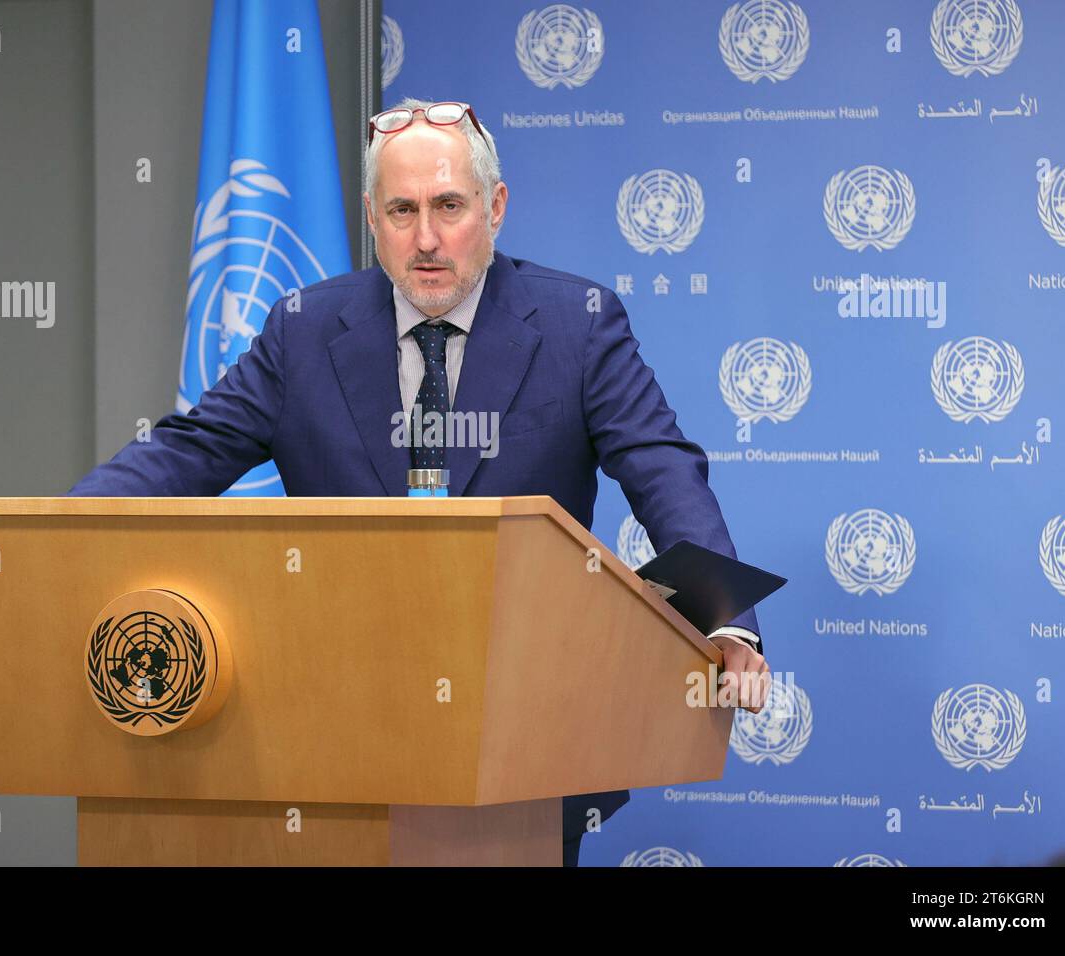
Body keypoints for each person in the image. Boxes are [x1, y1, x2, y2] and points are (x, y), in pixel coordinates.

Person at [68, 97, 770, 866]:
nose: (427, 239)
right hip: (335, 745)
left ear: (495, 207)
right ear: (371, 215)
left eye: (449, 206)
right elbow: (187, 453)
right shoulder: (302, 329)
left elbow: (661, 466)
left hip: (523, 748)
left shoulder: (580, 325)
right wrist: (51, 535)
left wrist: (723, 620)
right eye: (402, 210)